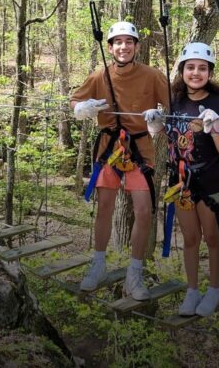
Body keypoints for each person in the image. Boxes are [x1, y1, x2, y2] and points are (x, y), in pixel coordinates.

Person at [70, 21, 170, 301]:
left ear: (137, 46)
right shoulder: (100, 75)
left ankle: (134, 273)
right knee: (104, 208)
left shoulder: (152, 75)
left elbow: (173, 106)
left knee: (143, 210)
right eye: (118, 42)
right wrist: (82, 107)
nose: (123, 47)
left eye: (129, 42)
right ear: (110, 47)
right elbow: (74, 100)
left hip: (139, 146)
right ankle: (99, 263)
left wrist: (159, 121)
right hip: (109, 146)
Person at [159, 42, 219, 317]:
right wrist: (157, 123)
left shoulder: (218, 105)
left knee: (211, 236)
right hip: (181, 179)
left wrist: (213, 130)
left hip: (210, 178)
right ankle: (192, 290)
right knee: (190, 238)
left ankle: (213, 289)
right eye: (190, 68)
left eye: (202, 68)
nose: (195, 73)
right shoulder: (174, 101)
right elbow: (172, 139)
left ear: (209, 72)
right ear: (182, 71)